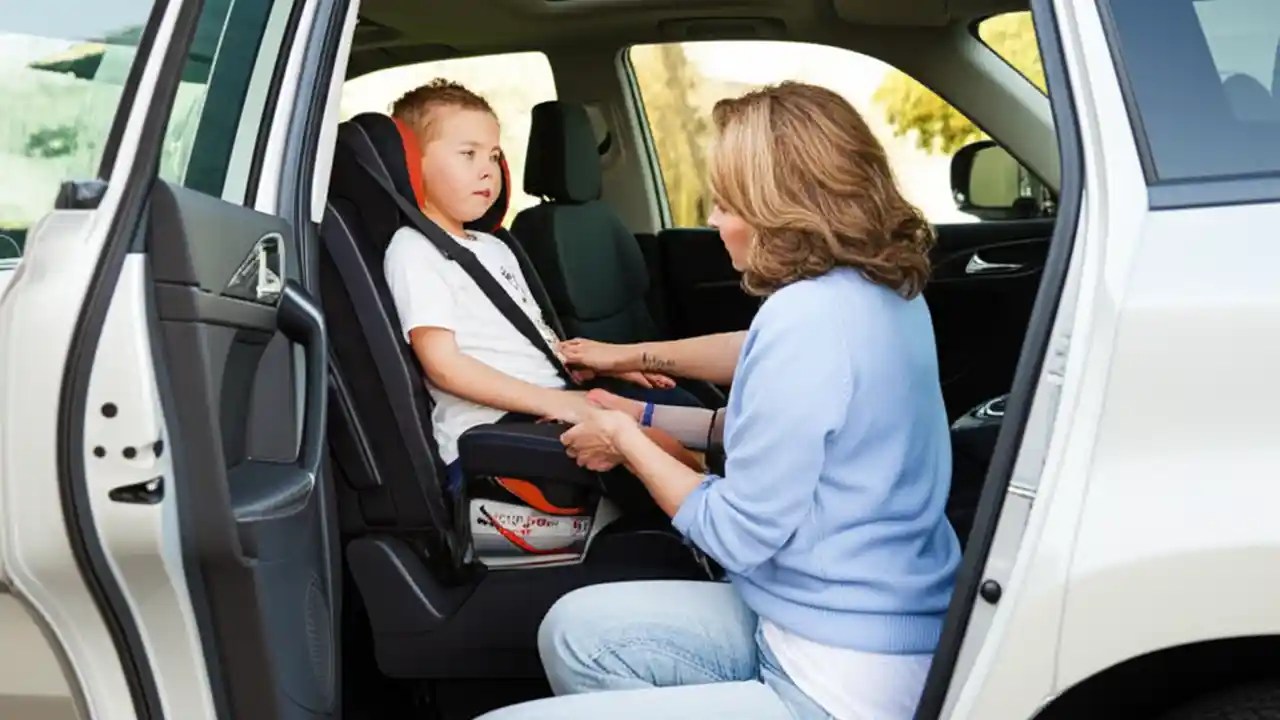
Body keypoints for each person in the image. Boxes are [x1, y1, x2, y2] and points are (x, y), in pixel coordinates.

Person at [478, 81, 962, 720]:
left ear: (782, 209)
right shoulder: (880, 291)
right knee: (574, 632)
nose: (713, 220)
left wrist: (624, 439)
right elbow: (759, 390)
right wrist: (636, 396)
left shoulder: (806, 319)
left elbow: (734, 533)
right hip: (856, 626)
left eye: (728, 202)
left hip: (835, 680)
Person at [382, 79, 698, 494]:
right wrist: (561, 403)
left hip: (546, 404)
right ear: (411, 163)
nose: (486, 169)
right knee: (669, 451)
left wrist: (604, 366)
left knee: (683, 423)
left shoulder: (496, 247)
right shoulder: (414, 250)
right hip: (493, 434)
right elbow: (443, 365)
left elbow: (527, 340)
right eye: (468, 154)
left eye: (494, 156)